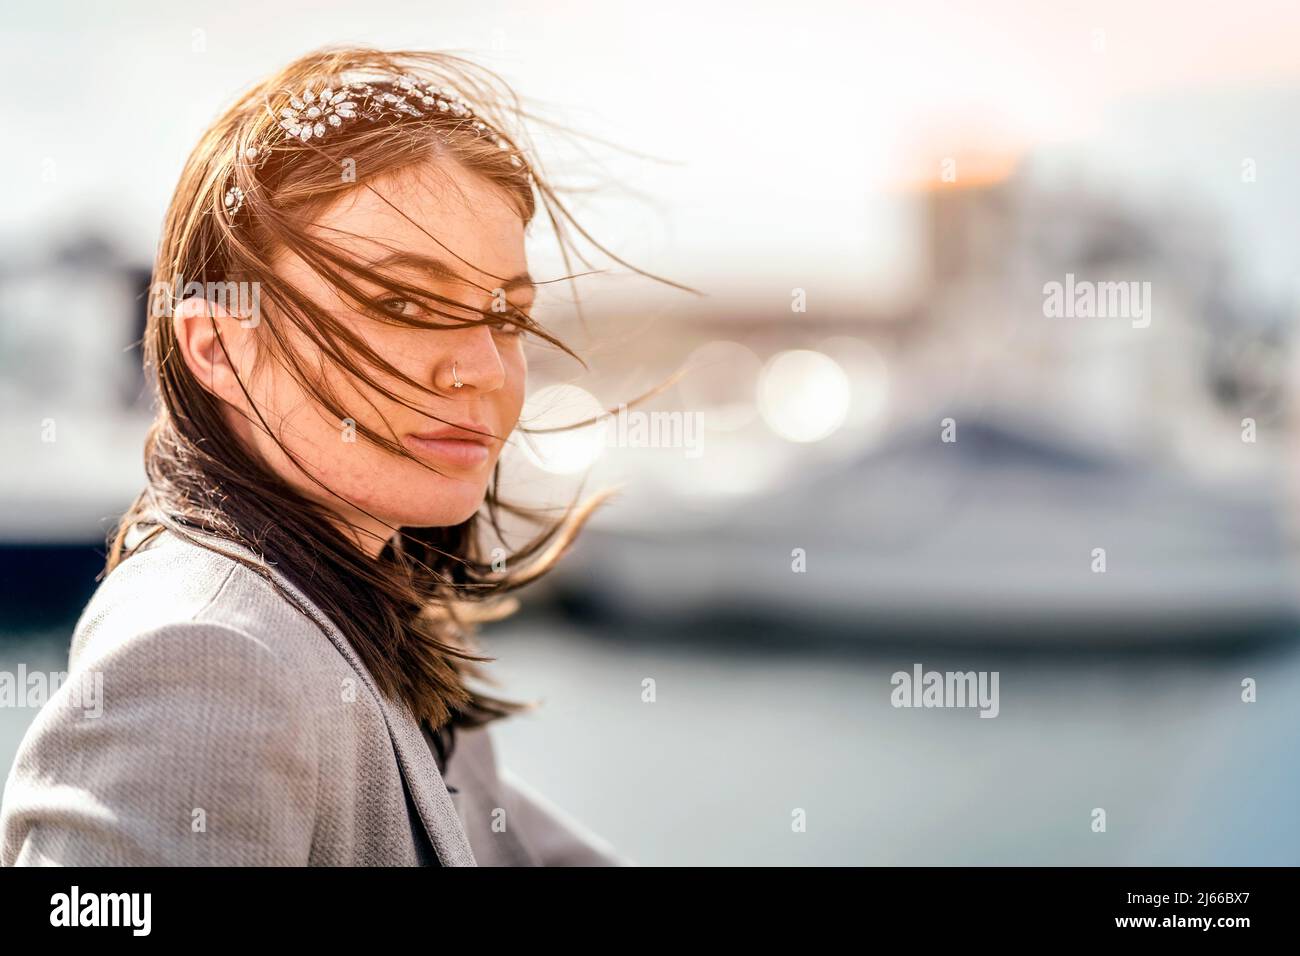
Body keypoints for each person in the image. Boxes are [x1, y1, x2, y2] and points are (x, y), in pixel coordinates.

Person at [0, 45, 678, 866]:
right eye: (401, 301)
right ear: (216, 345)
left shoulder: (364, 613)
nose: (482, 369)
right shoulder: (211, 661)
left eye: (505, 315)